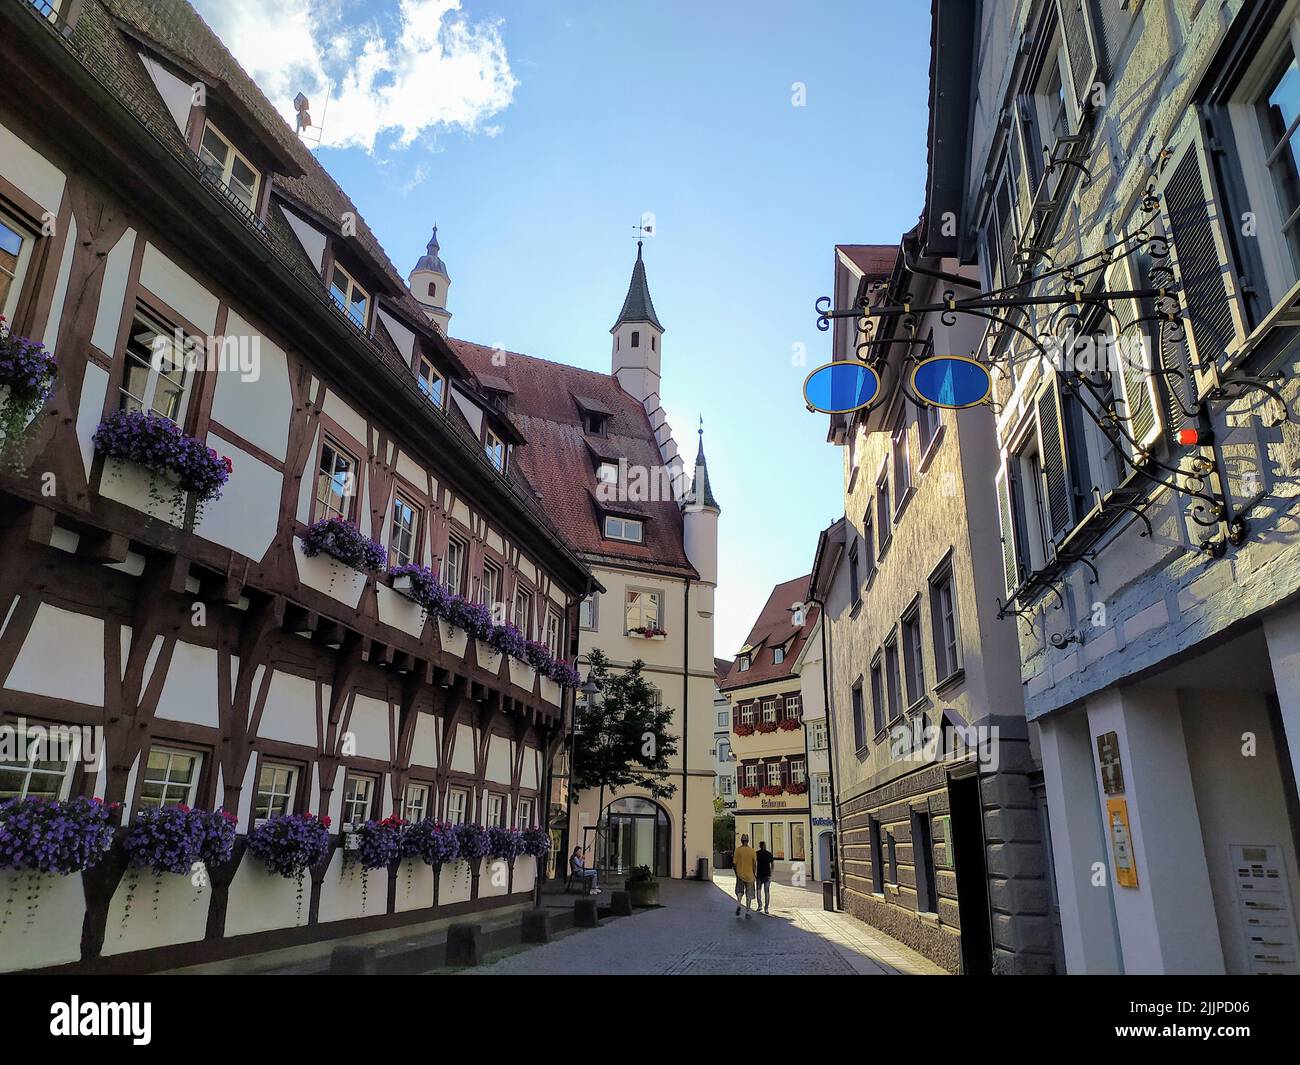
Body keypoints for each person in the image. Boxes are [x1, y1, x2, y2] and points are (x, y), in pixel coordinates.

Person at [732, 833, 757, 919]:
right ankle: (748, 911)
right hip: (750, 876)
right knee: (749, 893)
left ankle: (739, 904)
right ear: (748, 841)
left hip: (740, 874)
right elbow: (754, 864)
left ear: (741, 841)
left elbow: (734, 863)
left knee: (739, 891)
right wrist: (754, 873)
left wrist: (736, 873)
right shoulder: (752, 851)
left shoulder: (737, 850)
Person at [755, 840, 775, 913]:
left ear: (760, 846)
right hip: (767, 875)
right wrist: (771, 872)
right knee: (766, 892)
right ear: (765, 846)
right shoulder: (769, 854)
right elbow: (772, 864)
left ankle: (760, 905)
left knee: (758, 890)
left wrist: (754, 872)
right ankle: (766, 908)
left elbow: (754, 863)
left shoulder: (757, 853)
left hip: (759, 875)